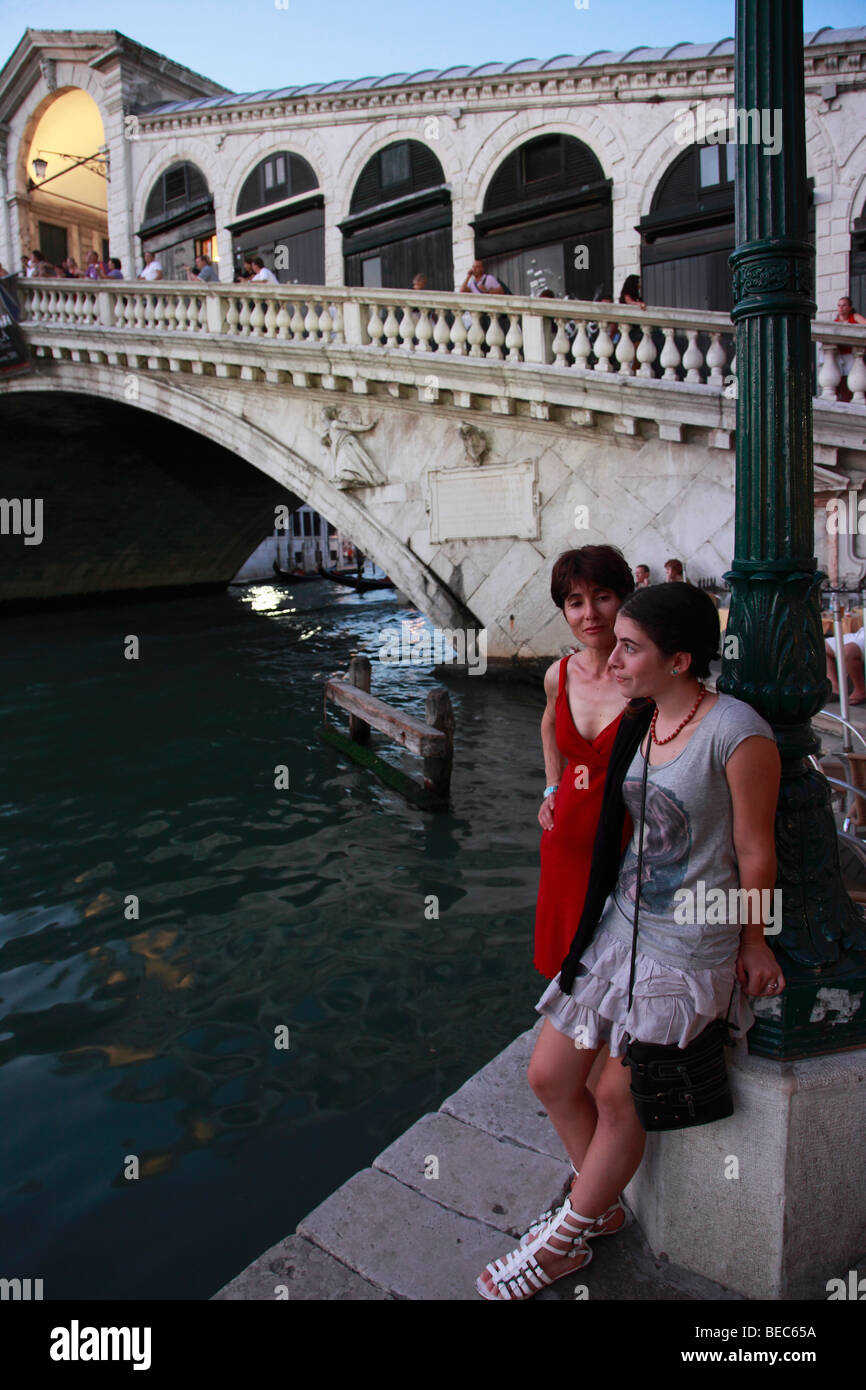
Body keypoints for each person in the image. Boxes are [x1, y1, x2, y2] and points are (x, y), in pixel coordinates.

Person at [477, 583, 783, 1300]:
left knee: (620, 1097)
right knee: (549, 1076)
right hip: (622, 926)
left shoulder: (738, 733)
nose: (611, 655)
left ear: (679, 660)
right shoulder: (644, 720)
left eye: (629, 647)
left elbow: (757, 851)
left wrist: (756, 941)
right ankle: (602, 1205)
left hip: (690, 944)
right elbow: (567, 734)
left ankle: (565, 1239)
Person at [534, 545, 635, 979]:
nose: (590, 613)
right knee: (568, 971)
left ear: (625, 600)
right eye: (575, 602)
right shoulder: (559, 674)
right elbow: (547, 727)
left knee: (619, 967)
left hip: (630, 839)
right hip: (566, 838)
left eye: (602, 597)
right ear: (565, 612)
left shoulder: (645, 675)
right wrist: (552, 787)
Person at [825, 624, 866, 705]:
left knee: (848, 651)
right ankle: (835, 689)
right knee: (823, 646)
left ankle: (860, 690)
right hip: (862, 632)